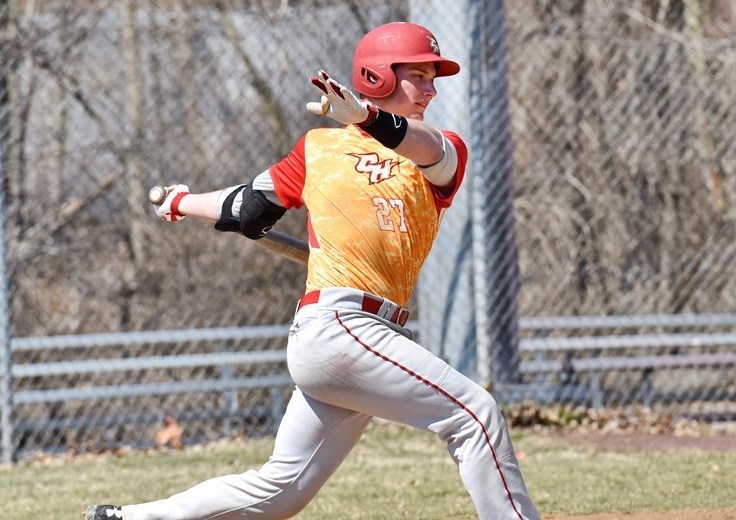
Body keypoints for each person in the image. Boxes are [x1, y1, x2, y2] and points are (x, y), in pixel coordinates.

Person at [84, 21, 539, 520]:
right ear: (379, 76)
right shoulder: (318, 149)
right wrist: (183, 201)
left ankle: (131, 519)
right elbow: (248, 207)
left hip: (370, 334)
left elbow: (428, 150)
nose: (431, 88)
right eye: (419, 75)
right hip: (339, 326)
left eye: (434, 77)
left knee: (282, 491)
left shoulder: (438, 147)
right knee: (476, 415)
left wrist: (368, 117)